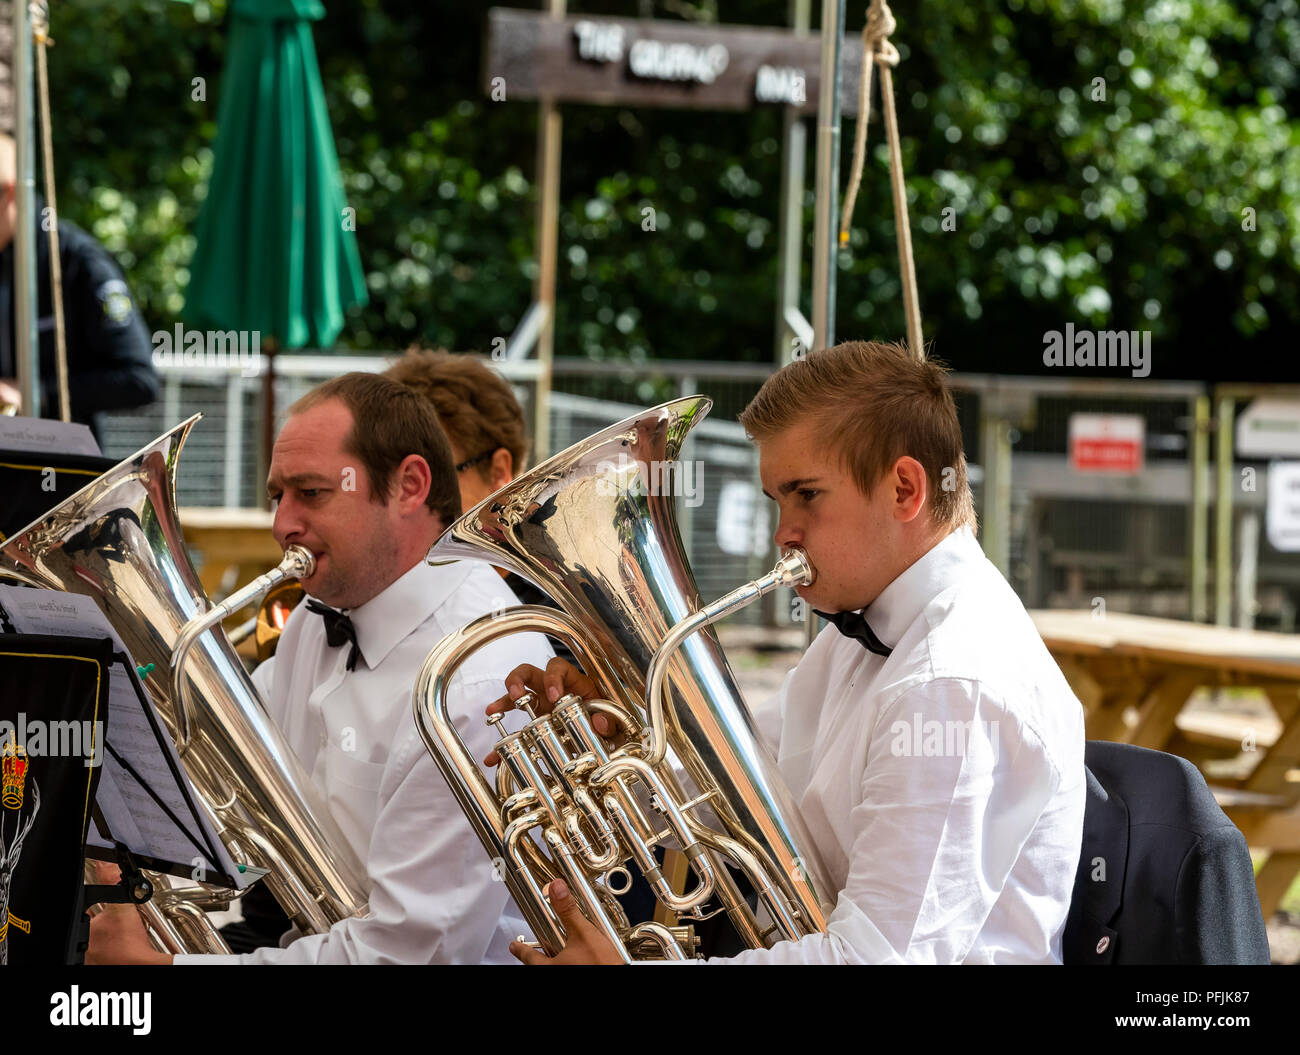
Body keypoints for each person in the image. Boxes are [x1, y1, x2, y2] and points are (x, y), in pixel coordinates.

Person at [491, 340, 1088, 965]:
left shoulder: (949, 682)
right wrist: (611, 750)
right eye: (778, 500)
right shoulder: (856, 636)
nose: (782, 534)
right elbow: (721, 802)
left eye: (807, 495)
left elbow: (873, 960)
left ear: (905, 489)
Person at [87, 372, 552, 963]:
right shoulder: (318, 612)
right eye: (278, 495)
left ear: (409, 485)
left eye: (311, 493)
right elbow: (222, 773)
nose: (282, 525)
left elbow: (405, 957)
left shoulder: (477, 683)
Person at [0, 133, 158, 443]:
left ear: (10, 194)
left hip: (62, 473)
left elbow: (139, 380)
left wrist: (33, 392)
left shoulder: (78, 262)